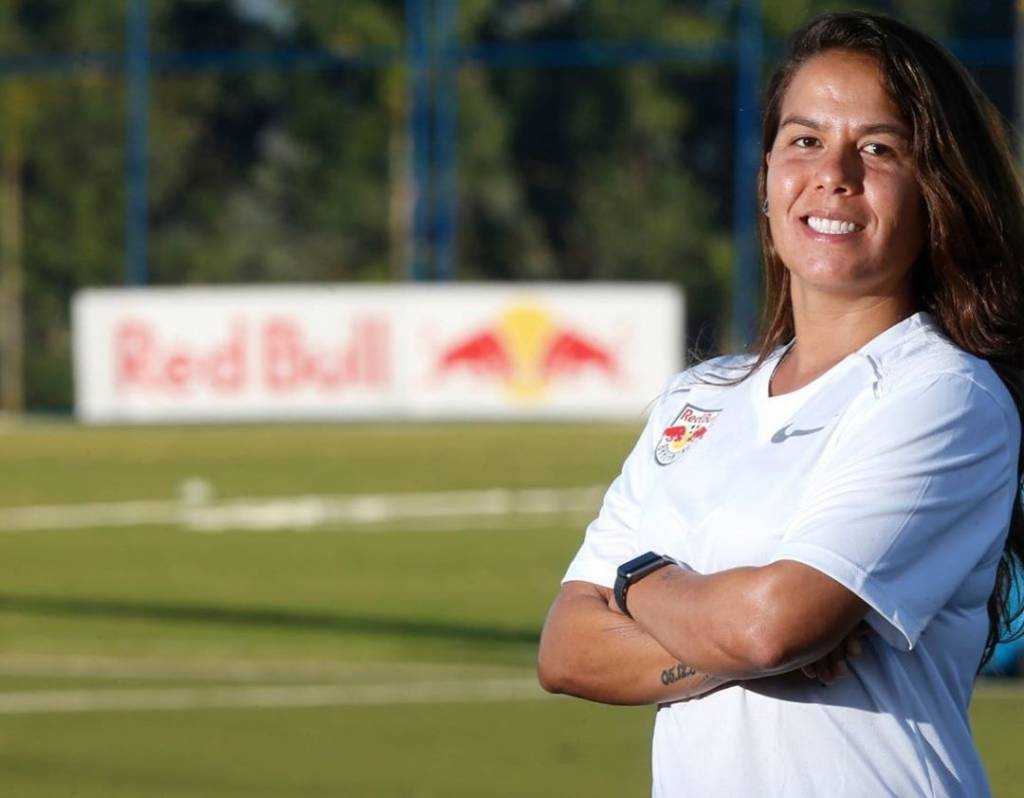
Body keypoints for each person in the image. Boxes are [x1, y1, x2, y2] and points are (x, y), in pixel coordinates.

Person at [537, 11, 1024, 797]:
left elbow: (771, 627)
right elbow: (565, 651)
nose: (834, 172)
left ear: (937, 192)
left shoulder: (944, 394)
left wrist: (637, 584)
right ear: (766, 177)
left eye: (878, 147)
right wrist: (725, 636)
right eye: (804, 140)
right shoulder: (695, 398)